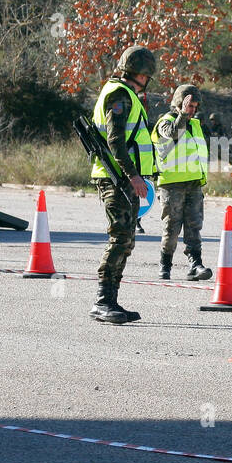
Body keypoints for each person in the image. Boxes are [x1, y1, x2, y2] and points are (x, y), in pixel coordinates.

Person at [90, 45, 158, 324]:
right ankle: (102, 301)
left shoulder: (123, 93)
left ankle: (112, 300)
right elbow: (116, 140)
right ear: (142, 74)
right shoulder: (120, 95)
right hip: (115, 178)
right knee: (119, 237)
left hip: (120, 177)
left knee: (126, 240)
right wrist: (133, 175)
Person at [154, 83, 213, 281]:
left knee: (194, 226)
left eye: (195, 106)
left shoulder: (195, 124)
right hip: (172, 185)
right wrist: (183, 116)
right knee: (171, 228)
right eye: (189, 105)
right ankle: (165, 265)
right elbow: (173, 134)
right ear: (179, 104)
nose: (192, 110)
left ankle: (195, 264)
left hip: (194, 184)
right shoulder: (165, 121)